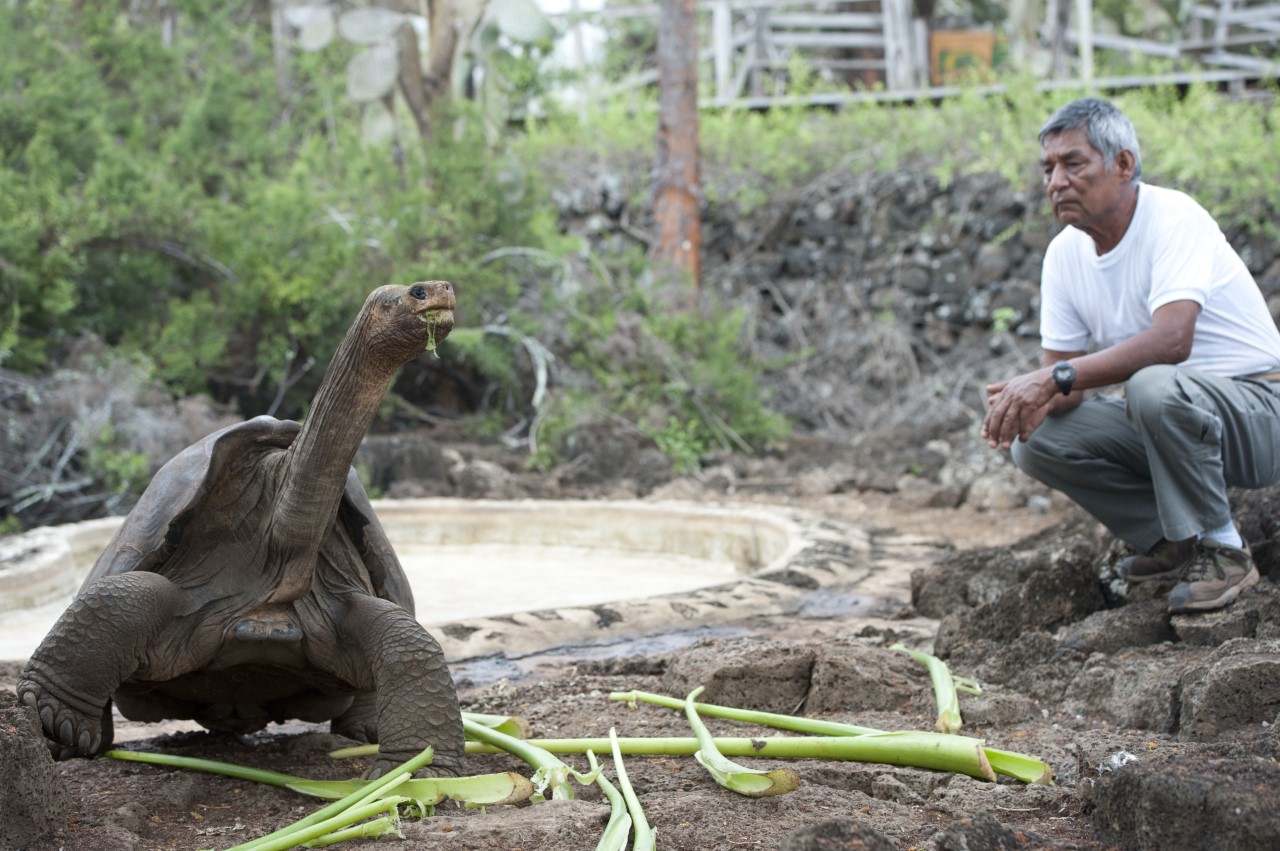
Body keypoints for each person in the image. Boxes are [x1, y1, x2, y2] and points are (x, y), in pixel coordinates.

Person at [982, 96, 1280, 614]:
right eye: (1048, 168)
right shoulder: (1065, 254)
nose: (1055, 182)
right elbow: (1065, 387)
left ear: (1122, 164)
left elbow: (1171, 343)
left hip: (1260, 413)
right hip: (1177, 422)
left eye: (1073, 164)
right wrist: (1026, 398)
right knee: (1038, 441)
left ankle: (1225, 548)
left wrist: (1052, 379)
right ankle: (1171, 539)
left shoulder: (1173, 217)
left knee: (1152, 384)